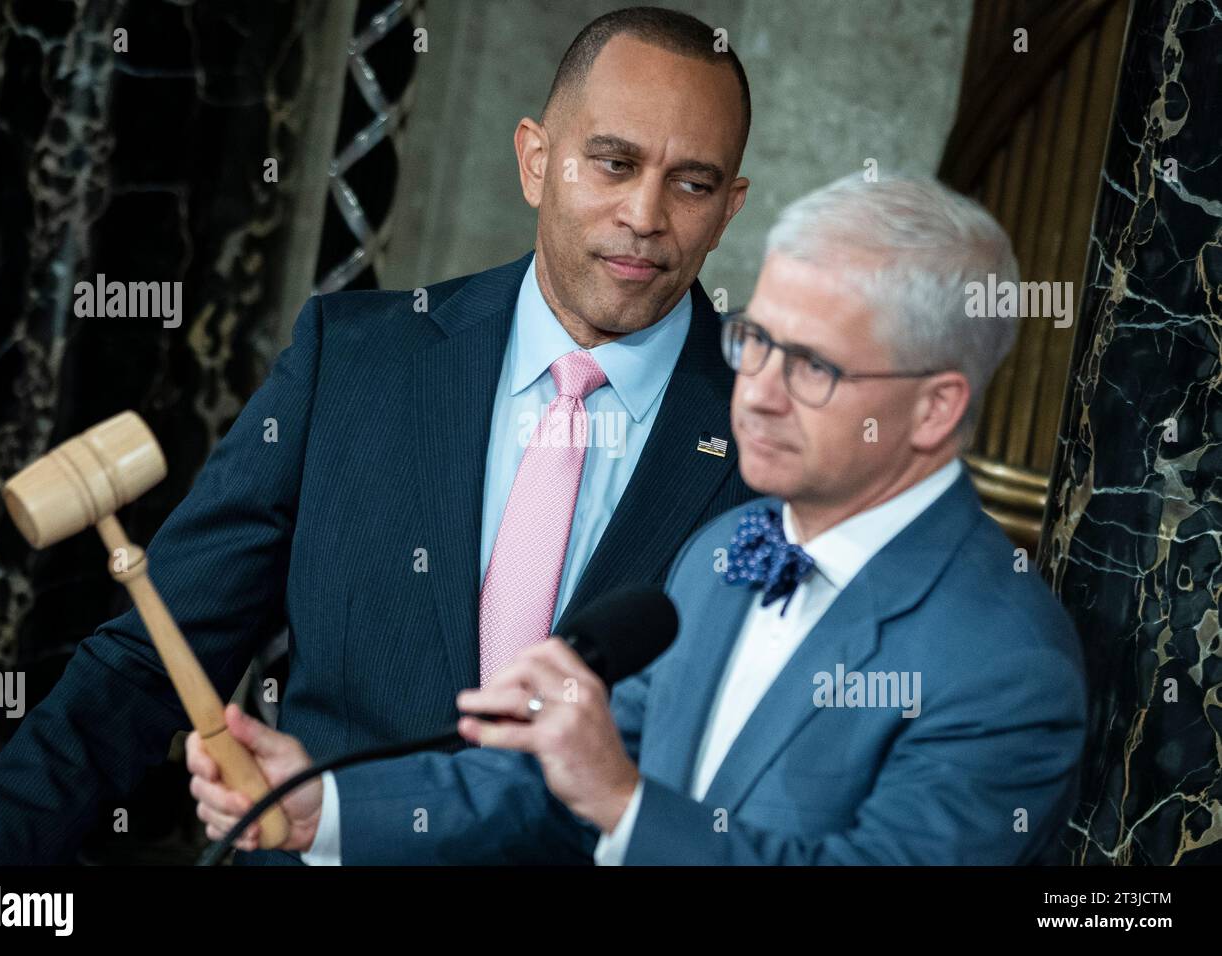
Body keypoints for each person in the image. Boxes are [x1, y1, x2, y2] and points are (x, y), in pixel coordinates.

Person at [0, 6, 757, 865]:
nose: (645, 214)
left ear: (730, 206)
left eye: (692, 184)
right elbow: (147, 669)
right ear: (536, 159)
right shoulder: (354, 362)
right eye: (614, 162)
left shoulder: (773, 447)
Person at [188, 172, 1089, 865]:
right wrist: (322, 808)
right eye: (756, 341)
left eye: (811, 366)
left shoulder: (1005, 667)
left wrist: (625, 805)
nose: (758, 396)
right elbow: (562, 773)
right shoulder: (725, 552)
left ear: (935, 409)